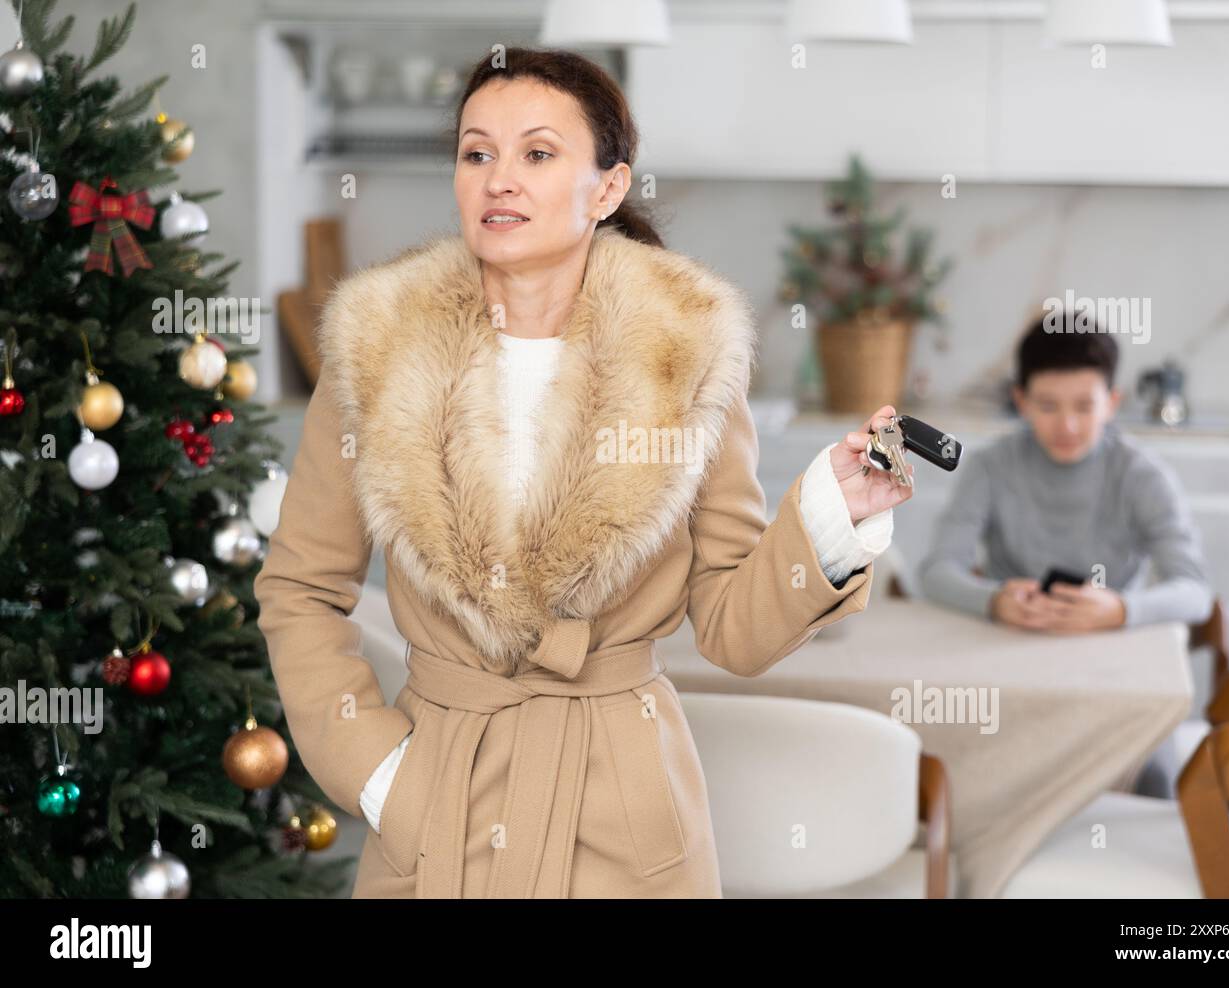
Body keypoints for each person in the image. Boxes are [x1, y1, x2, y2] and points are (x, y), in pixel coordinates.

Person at [253, 47, 915, 899]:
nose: (499, 179)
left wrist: (830, 515)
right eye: (476, 152)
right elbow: (300, 589)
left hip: (624, 822)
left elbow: (731, 629)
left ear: (606, 189)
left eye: (537, 153)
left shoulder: (689, 353)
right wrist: (381, 775)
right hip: (439, 807)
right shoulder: (376, 349)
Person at [917, 312, 1213, 633]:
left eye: (1084, 407)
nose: (1067, 426)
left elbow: (1195, 591)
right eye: (1047, 406)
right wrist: (994, 600)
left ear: (1112, 403)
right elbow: (936, 571)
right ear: (1021, 400)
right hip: (1008, 642)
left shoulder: (1143, 475)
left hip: (1112, 649)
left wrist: (1121, 609)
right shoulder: (989, 466)